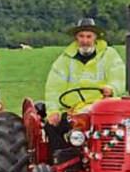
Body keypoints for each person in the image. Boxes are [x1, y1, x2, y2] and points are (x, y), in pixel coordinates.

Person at [44, 18, 125, 153]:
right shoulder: (64, 60)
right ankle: (63, 160)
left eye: (89, 36)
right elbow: (53, 88)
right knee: (51, 126)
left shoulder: (110, 55)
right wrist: (53, 111)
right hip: (73, 110)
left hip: (103, 109)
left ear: (95, 37)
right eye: (81, 36)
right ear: (76, 38)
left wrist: (112, 89)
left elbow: (119, 77)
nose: (85, 40)